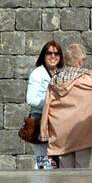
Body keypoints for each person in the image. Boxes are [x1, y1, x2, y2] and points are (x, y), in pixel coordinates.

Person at [41, 43, 92, 168]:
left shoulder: (55, 80)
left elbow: (47, 106)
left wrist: (44, 131)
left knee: (65, 170)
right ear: (80, 61)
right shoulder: (90, 77)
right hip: (83, 131)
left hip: (60, 131)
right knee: (82, 168)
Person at [26, 41, 63, 170]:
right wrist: (48, 104)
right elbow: (30, 99)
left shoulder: (59, 73)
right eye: (49, 53)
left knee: (53, 160)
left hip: (55, 122)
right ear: (43, 55)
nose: (53, 56)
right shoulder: (38, 73)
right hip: (41, 120)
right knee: (43, 160)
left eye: (56, 53)